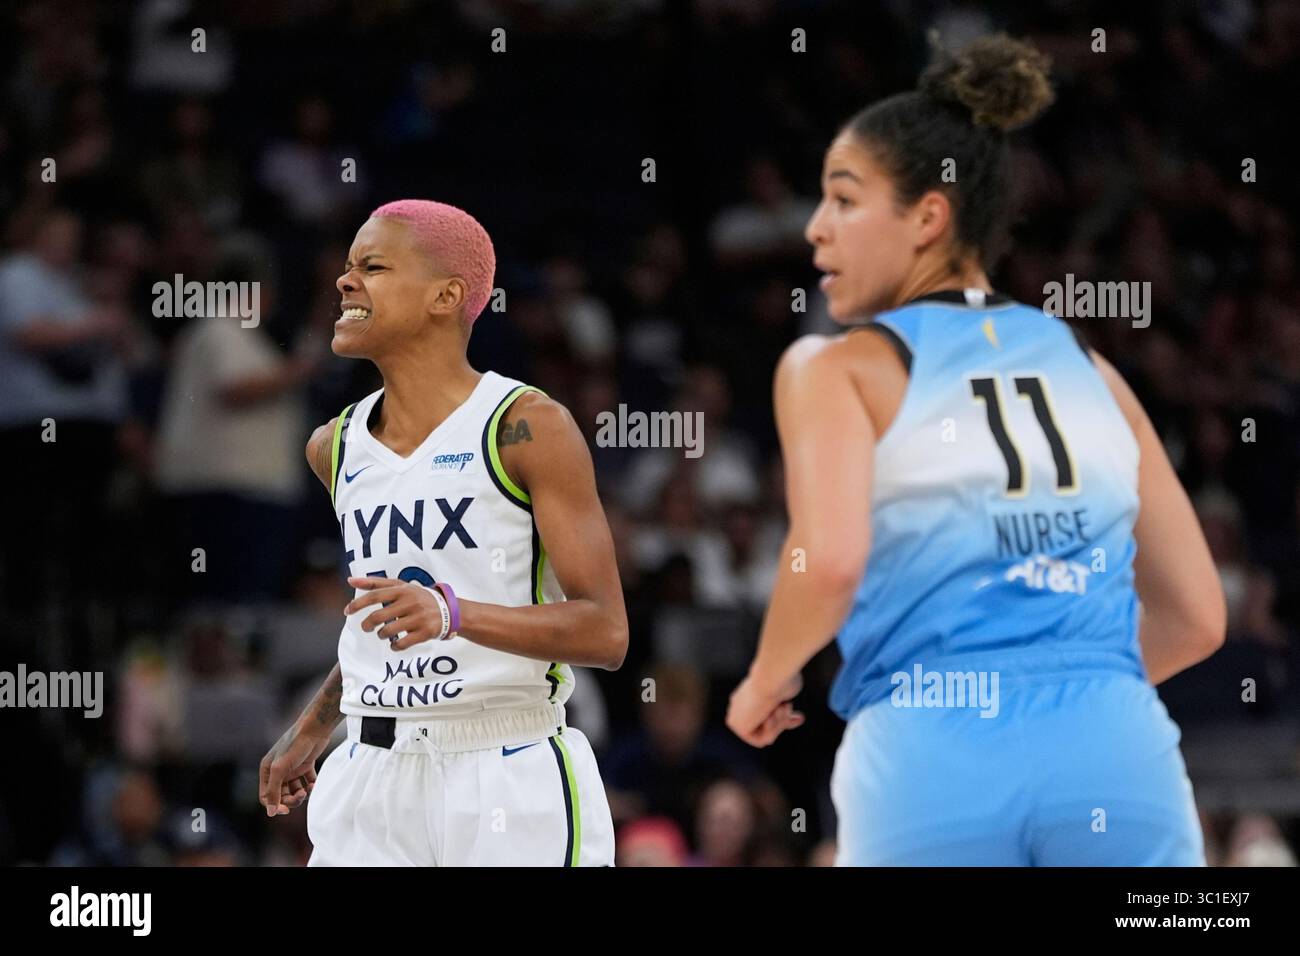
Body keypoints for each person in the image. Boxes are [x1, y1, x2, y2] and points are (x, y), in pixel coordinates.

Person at [725, 34, 1225, 866]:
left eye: (844, 201)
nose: (815, 231)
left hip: (929, 747)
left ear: (928, 216)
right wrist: (1070, 684)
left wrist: (766, 679)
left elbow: (831, 562)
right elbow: (1200, 619)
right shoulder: (1096, 371)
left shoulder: (832, 366)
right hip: (1118, 746)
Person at [258, 199, 627, 866]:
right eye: (346, 267)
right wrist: (312, 727)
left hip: (504, 764)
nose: (345, 282)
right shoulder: (333, 446)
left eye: (371, 266)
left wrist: (452, 612)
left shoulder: (527, 426)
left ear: (445, 296)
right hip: (371, 769)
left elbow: (605, 633)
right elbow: (383, 623)